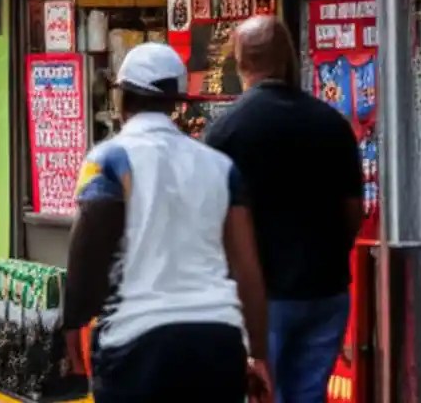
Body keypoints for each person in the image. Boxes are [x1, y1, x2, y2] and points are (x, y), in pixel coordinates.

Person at [62, 42, 272, 403]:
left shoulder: (108, 159)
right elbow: (247, 270)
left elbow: (87, 250)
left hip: (136, 344)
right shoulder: (221, 167)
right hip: (216, 343)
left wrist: (72, 330)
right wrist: (259, 354)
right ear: (176, 102)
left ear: (123, 98)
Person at [204, 16, 363, 403]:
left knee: (261, 393)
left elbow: (210, 221)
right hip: (325, 290)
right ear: (288, 58)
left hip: (260, 298)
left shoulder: (225, 131)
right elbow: (353, 210)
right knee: (308, 394)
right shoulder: (332, 125)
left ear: (240, 63)